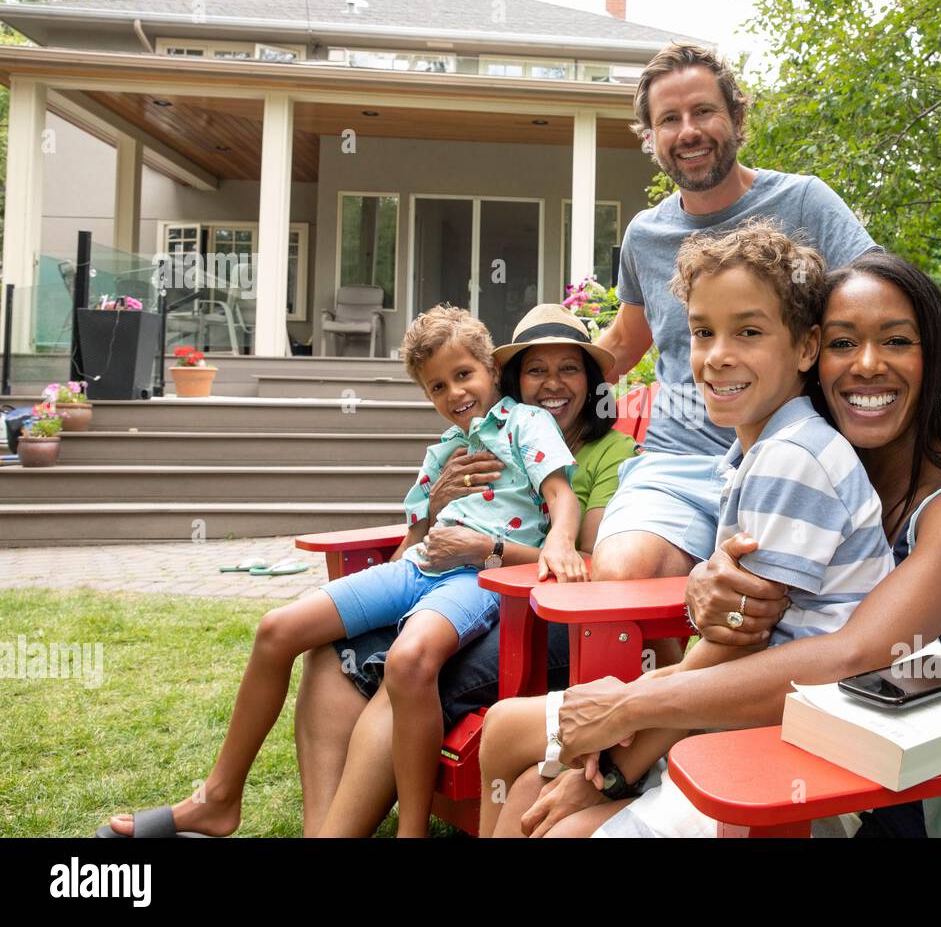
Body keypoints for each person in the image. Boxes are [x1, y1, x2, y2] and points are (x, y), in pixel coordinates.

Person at [590, 41, 941, 590]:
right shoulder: (645, 236)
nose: (688, 131)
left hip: (794, 459)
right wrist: (525, 394)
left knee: (766, 597)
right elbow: (628, 341)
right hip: (682, 464)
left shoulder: (804, 203)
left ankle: (695, 666)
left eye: (704, 111)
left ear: (737, 118)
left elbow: (897, 298)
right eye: (669, 119)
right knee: (620, 574)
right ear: (649, 137)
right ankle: (664, 668)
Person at [499, 251, 941, 837]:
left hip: (904, 774)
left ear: (938, 359)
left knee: (567, 826)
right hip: (787, 727)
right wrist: (704, 587)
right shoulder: (816, 464)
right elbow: (744, 625)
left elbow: (853, 656)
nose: (867, 365)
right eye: (844, 344)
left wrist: (632, 711)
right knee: (528, 793)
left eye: (897, 342)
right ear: (813, 354)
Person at [101, 305, 588, 839]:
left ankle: (411, 830)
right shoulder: (443, 451)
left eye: (464, 375)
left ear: (493, 371)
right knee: (276, 629)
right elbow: (407, 550)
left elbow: (561, 496)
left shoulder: (526, 422)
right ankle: (219, 797)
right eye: (437, 387)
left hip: (478, 580)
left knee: (410, 656)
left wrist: (560, 543)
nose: (454, 394)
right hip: (419, 570)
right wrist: (429, 512)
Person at [477, 221, 898, 838]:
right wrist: (628, 715)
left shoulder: (795, 460)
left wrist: (617, 760)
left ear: (806, 349)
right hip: (730, 710)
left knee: (557, 821)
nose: (717, 354)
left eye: (748, 332)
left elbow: (740, 644)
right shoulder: (755, 455)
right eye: (703, 332)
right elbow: (727, 641)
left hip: (796, 747)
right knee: (517, 768)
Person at [293, 304, 638, 837]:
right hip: (452, 593)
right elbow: (412, 552)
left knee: (403, 674)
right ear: (511, 378)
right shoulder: (485, 442)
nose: (553, 383)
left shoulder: (608, 453)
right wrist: (434, 511)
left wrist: (489, 549)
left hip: (539, 618)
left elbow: (588, 570)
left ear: (591, 381)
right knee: (329, 655)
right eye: (536, 370)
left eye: (569, 369)